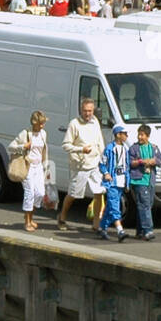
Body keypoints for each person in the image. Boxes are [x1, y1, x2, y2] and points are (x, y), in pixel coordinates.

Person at [57, 98, 105, 232]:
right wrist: (81, 150)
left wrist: (103, 158)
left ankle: (96, 224)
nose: (88, 113)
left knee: (99, 192)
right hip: (80, 166)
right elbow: (66, 145)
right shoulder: (74, 124)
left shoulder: (95, 121)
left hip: (95, 163)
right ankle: (62, 217)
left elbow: (99, 141)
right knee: (73, 194)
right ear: (81, 110)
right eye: (85, 111)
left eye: (90, 111)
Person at [9, 110, 48, 232]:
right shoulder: (25, 133)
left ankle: (29, 216)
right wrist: (23, 146)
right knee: (29, 192)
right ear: (34, 123)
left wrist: (45, 164)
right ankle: (27, 222)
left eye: (43, 123)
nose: (42, 126)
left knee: (40, 193)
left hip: (39, 166)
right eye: (40, 123)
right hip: (28, 165)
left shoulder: (43, 134)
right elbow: (10, 147)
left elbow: (44, 151)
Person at [128, 123, 161, 240]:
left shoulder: (154, 148)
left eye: (142, 135)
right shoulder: (133, 148)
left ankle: (140, 231)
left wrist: (154, 161)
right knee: (144, 205)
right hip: (138, 181)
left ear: (148, 136)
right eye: (139, 135)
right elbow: (130, 163)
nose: (140, 137)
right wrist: (141, 162)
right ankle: (148, 230)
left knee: (146, 205)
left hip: (150, 181)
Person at [97, 124, 129, 241]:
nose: (126, 136)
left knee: (110, 206)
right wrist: (106, 173)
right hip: (112, 182)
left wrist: (127, 182)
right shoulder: (110, 148)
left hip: (121, 181)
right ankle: (120, 230)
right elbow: (101, 163)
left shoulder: (125, 149)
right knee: (115, 207)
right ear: (118, 135)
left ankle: (102, 228)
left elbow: (127, 166)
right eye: (124, 134)